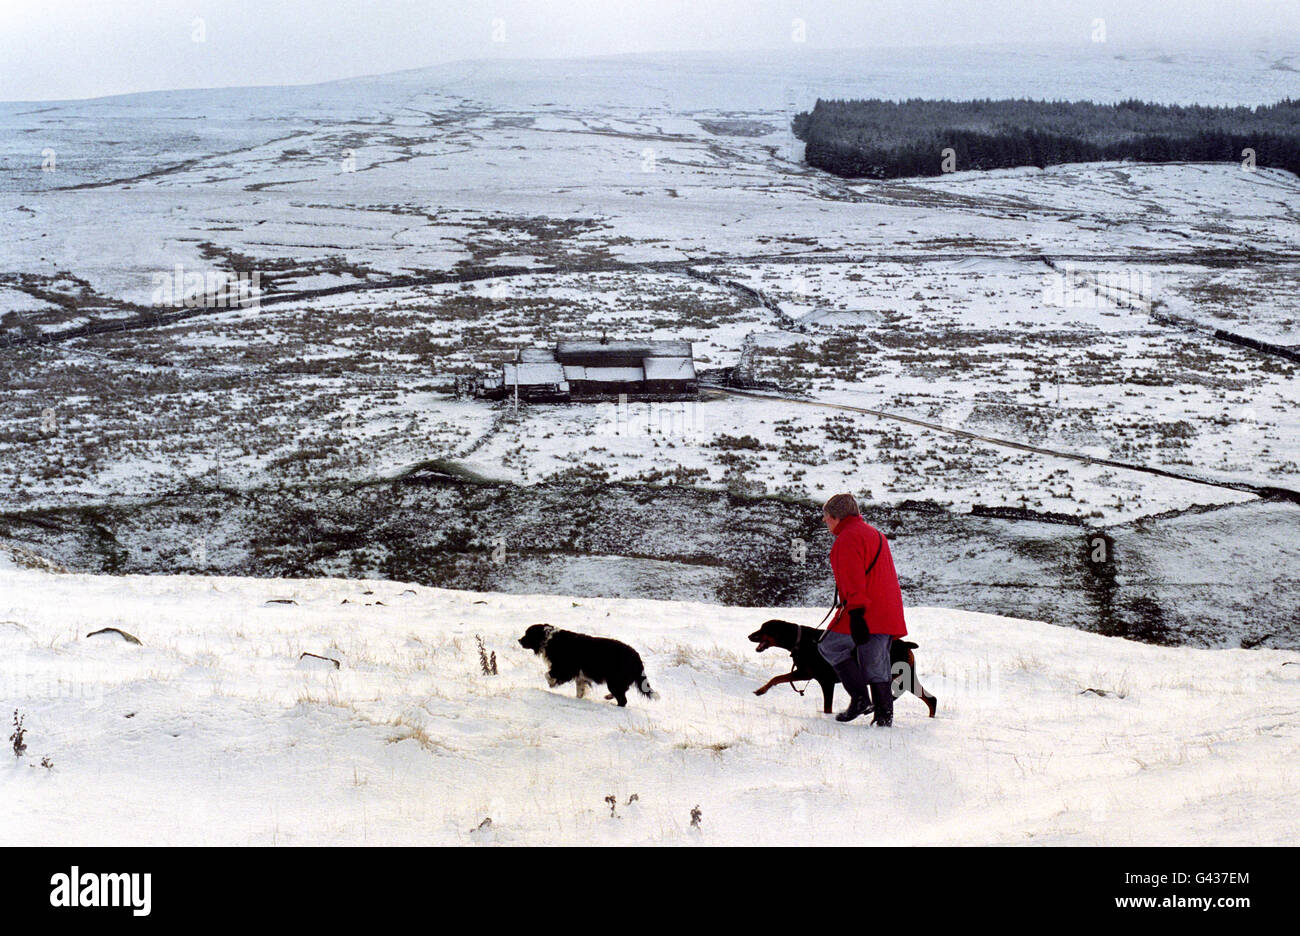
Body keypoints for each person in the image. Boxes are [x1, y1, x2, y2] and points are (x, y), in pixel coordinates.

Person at [817, 493, 907, 726]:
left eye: (826, 517)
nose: (825, 522)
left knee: (829, 645)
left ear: (837, 517)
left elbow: (852, 579)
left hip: (864, 610)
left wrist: (856, 613)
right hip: (887, 610)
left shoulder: (847, 539)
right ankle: (884, 718)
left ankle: (859, 699)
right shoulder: (875, 534)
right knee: (876, 663)